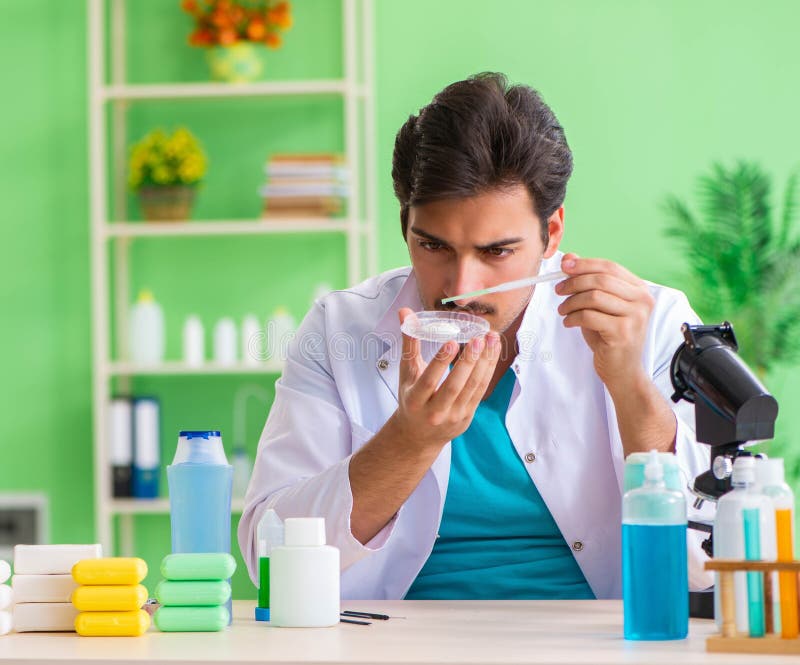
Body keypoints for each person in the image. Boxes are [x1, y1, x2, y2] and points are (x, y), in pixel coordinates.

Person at [238, 72, 713, 600]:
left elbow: (711, 561)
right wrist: (409, 442)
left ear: (551, 233)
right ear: (405, 227)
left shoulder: (650, 321)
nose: (461, 288)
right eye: (433, 247)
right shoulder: (338, 330)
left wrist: (629, 387)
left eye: (496, 252)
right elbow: (270, 559)